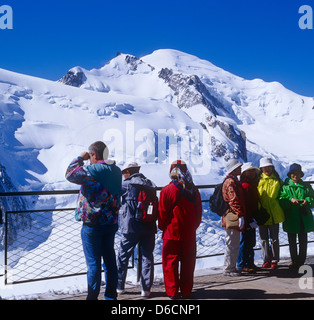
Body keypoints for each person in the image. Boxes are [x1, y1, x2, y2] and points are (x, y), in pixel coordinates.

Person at [65, 141, 122, 300]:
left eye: (90, 156)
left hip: (92, 225)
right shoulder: (117, 171)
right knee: (110, 262)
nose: (89, 159)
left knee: (93, 265)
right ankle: (111, 297)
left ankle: (92, 298)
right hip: (110, 223)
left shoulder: (90, 171)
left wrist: (80, 158)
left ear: (94, 155)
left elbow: (70, 173)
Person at [158, 160, 202, 299]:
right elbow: (198, 213)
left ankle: (172, 292)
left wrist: (163, 227)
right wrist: (192, 227)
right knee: (188, 264)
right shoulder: (193, 189)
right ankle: (186, 291)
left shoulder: (167, 190)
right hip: (189, 233)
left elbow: (162, 212)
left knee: (170, 264)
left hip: (171, 233)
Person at [116, 162, 157, 298]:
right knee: (147, 257)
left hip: (131, 227)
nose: (123, 175)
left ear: (128, 171)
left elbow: (111, 191)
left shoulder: (126, 185)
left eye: (124, 173)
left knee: (123, 256)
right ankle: (146, 289)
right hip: (149, 226)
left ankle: (119, 286)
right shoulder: (150, 184)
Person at [279, 163, 314, 270]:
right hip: (291, 217)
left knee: (303, 241)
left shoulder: (307, 186)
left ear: (301, 175)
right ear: (290, 175)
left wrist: (307, 201)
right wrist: (290, 200)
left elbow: (313, 199)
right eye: (293, 173)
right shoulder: (285, 187)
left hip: (303, 218)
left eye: (297, 173)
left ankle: (301, 261)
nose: (295, 175)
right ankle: (294, 261)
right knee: (292, 241)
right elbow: (281, 200)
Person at [257, 157, 285, 269]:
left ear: (272, 167)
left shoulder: (278, 181)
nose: (267, 169)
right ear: (261, 168)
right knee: (263, 238)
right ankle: (266, 260)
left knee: (274, 238)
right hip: (262, 215)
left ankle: (274, 260)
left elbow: (283, 195)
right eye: (265, 167)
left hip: (274, 214)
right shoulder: (258, 181)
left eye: (268, 167)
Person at [221, 158, 246, 276]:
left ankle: (231, 266)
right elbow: (233, 199)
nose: (241, 169)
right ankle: (229, 268)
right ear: (235, 169)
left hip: (230, 214)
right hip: (232, 215)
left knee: (233, 242)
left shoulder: (231, 180)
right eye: (239, 167)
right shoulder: (231, 182)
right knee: (232, 242)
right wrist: (239, 214)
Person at [237, 162, 260, 273]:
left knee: (250, 241)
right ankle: (242, 264)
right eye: (249, 171)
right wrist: (247, 218)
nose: (252, 173)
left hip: (251, 217)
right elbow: (245, 203)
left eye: (253, 171)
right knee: (246, 241)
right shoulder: (246, 185)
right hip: (248, 217)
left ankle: (249, 263)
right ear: (244, 173)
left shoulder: (250, 184)